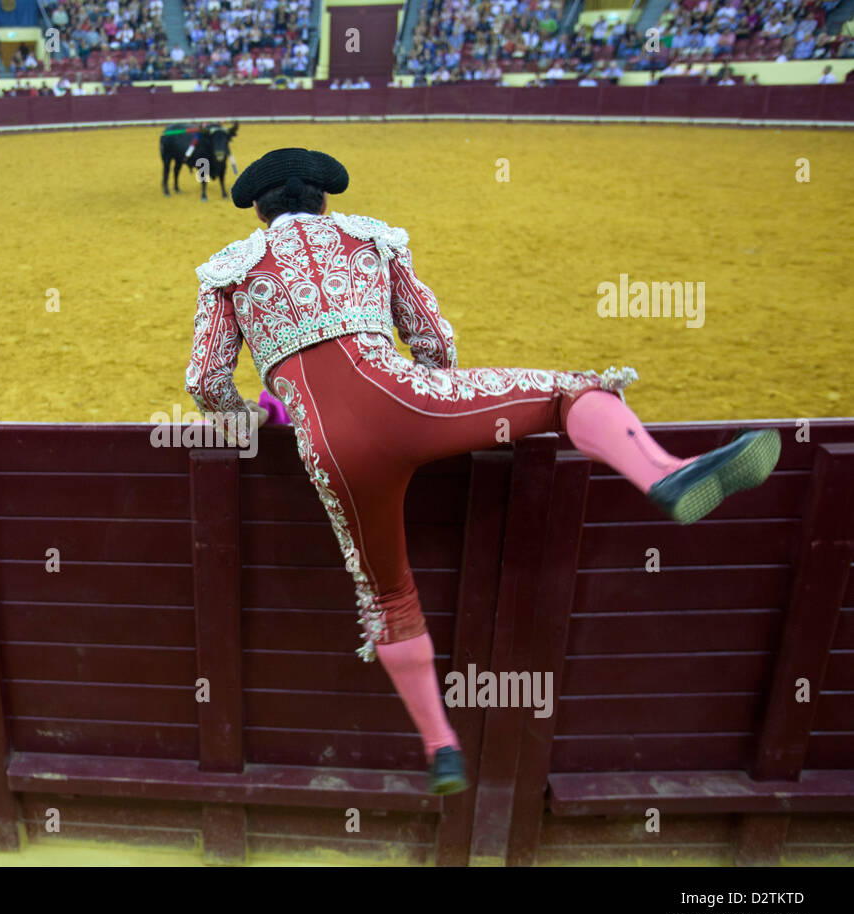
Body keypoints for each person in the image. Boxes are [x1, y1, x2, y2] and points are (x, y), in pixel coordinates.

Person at [184, 148, 782, 795]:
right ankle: (663, 472)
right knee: (567, 393)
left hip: (329, 452)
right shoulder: (369, 238)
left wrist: (265, 413)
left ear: (259, 211)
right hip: (408, 402)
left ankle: (442, 749)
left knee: (387, 596)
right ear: (324, 201)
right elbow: (435, 341)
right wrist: (434, 417)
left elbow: (206, 382)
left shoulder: (229, 271)